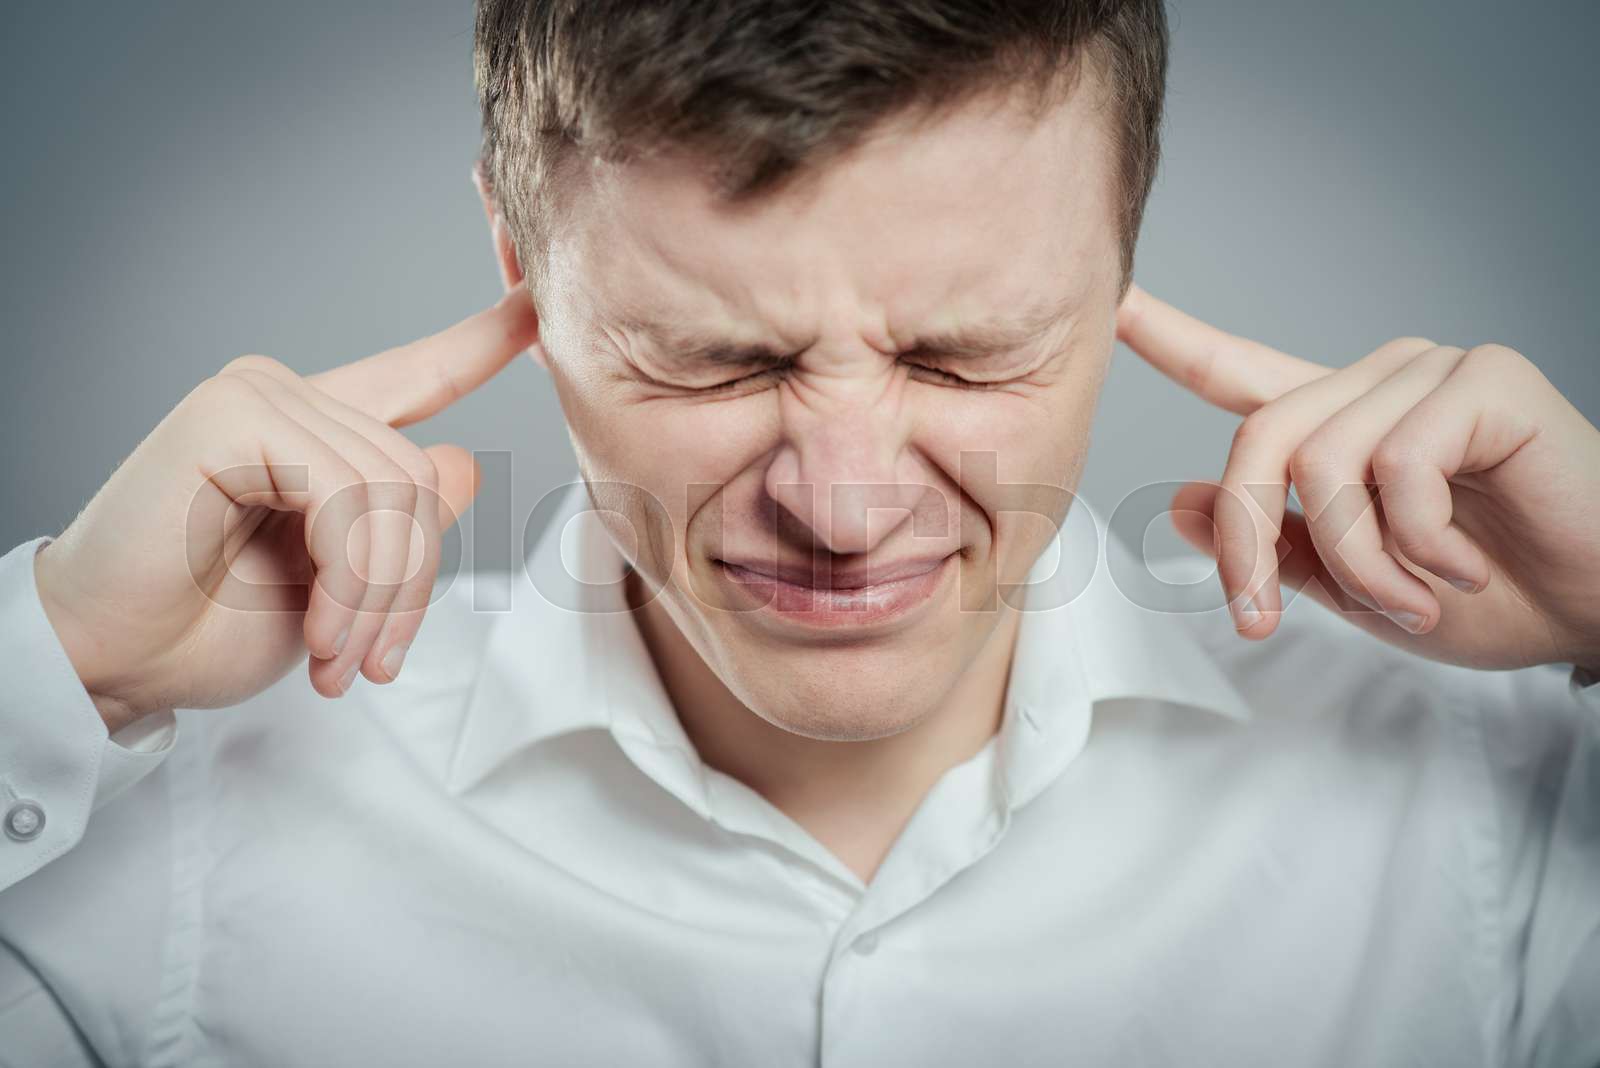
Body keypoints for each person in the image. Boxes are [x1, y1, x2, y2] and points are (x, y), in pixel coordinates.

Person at [1, 1, 1596, 1064]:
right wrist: (58, 668)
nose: (841, 505)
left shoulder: (1493, 787)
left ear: (1122, 249)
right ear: (517, 257)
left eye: (962, 355)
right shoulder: (169, 816)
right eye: (719, 360)